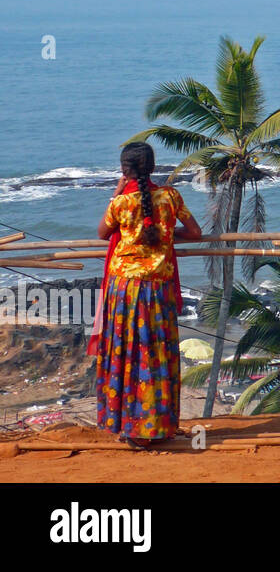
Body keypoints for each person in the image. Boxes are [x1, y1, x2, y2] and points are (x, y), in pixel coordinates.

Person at [91, 141, 202, 449]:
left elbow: (102, 233)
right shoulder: (170, 196)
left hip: (124, 290)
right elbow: (195, 233)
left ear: (125, 171)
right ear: (153, 167)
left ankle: (126, 424)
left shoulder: (120, 203)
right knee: (155, 354)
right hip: (158, 290)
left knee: (125, 353)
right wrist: (166, 234)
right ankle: (156, 425)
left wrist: (117, 191)